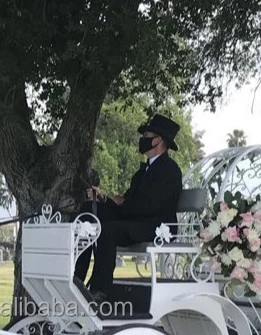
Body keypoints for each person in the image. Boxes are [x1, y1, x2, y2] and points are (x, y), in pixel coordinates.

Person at [74, 114, 183, 301]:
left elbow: (150, 206)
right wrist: (105, 199)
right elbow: (127, 203)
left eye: (146, 135)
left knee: (108, 230)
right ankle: (77, 278)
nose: (142, 139)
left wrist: (122, 203)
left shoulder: (170, 170)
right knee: (88, 213)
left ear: (157, 140)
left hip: (155, 225)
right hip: (136, 220)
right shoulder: (142, 172)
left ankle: (99, 290)